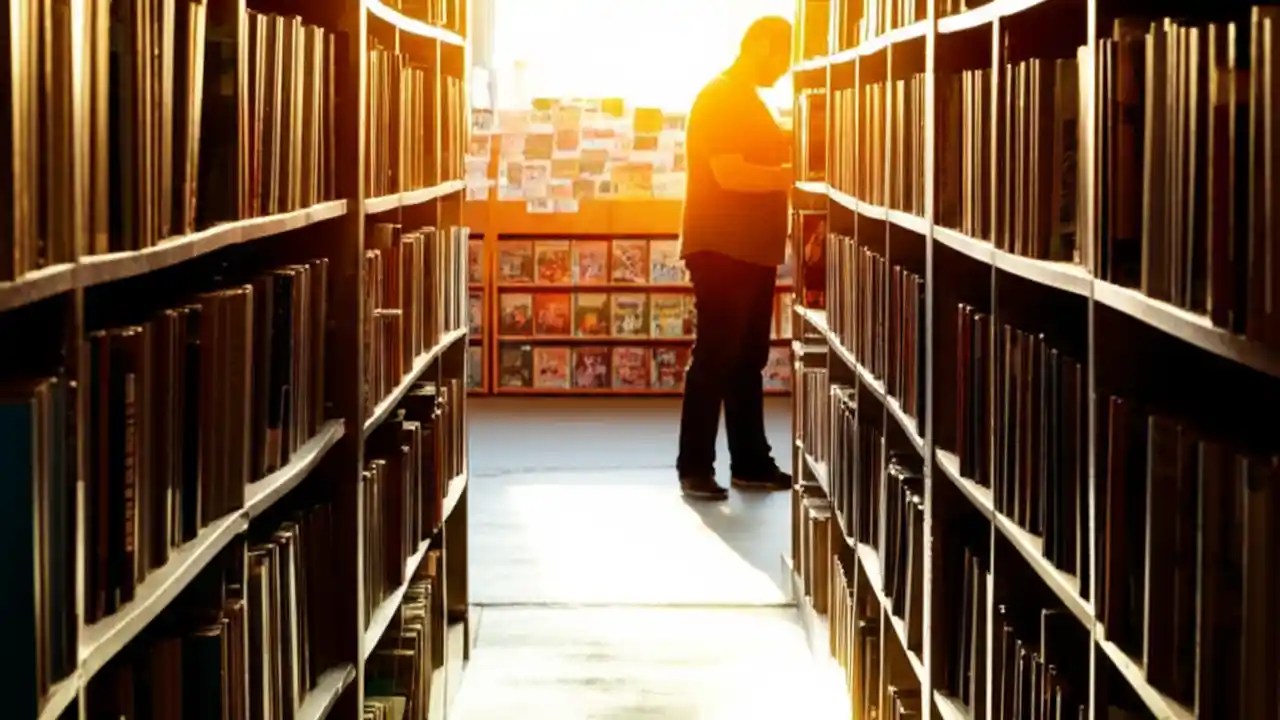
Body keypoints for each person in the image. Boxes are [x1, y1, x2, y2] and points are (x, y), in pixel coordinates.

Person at [677, 15, 795, 500]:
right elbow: (730, 173)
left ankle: (749, 461)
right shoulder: (721, 97)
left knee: (748, 358)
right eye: (783, 57)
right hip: (723, 248)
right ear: (762, 44)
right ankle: (694, 468)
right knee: (716, 356)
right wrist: (796, 174)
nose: (784, 70)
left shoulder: (748, 102)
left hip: (750, 250)